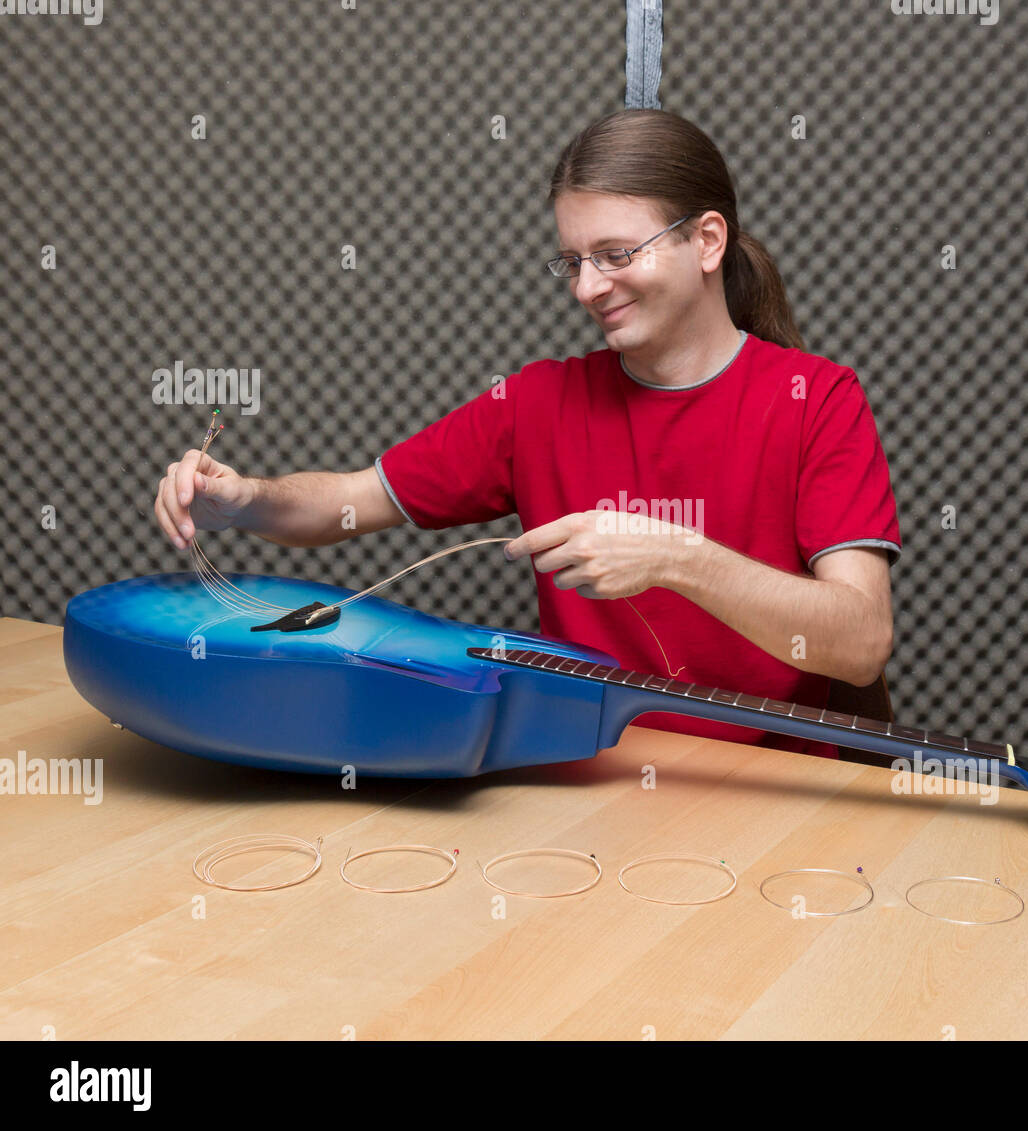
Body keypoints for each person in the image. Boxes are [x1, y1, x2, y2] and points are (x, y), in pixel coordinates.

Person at [153, 109, 900, 758]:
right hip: (591, 779)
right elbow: (347, 501)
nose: (586, 287)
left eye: (614, 254)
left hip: (775, 793)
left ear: (707, 241)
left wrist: (676, 555)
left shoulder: (817, 399)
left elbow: (861, 642)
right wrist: (243, 499)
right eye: (572, 262)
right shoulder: (536, 401)